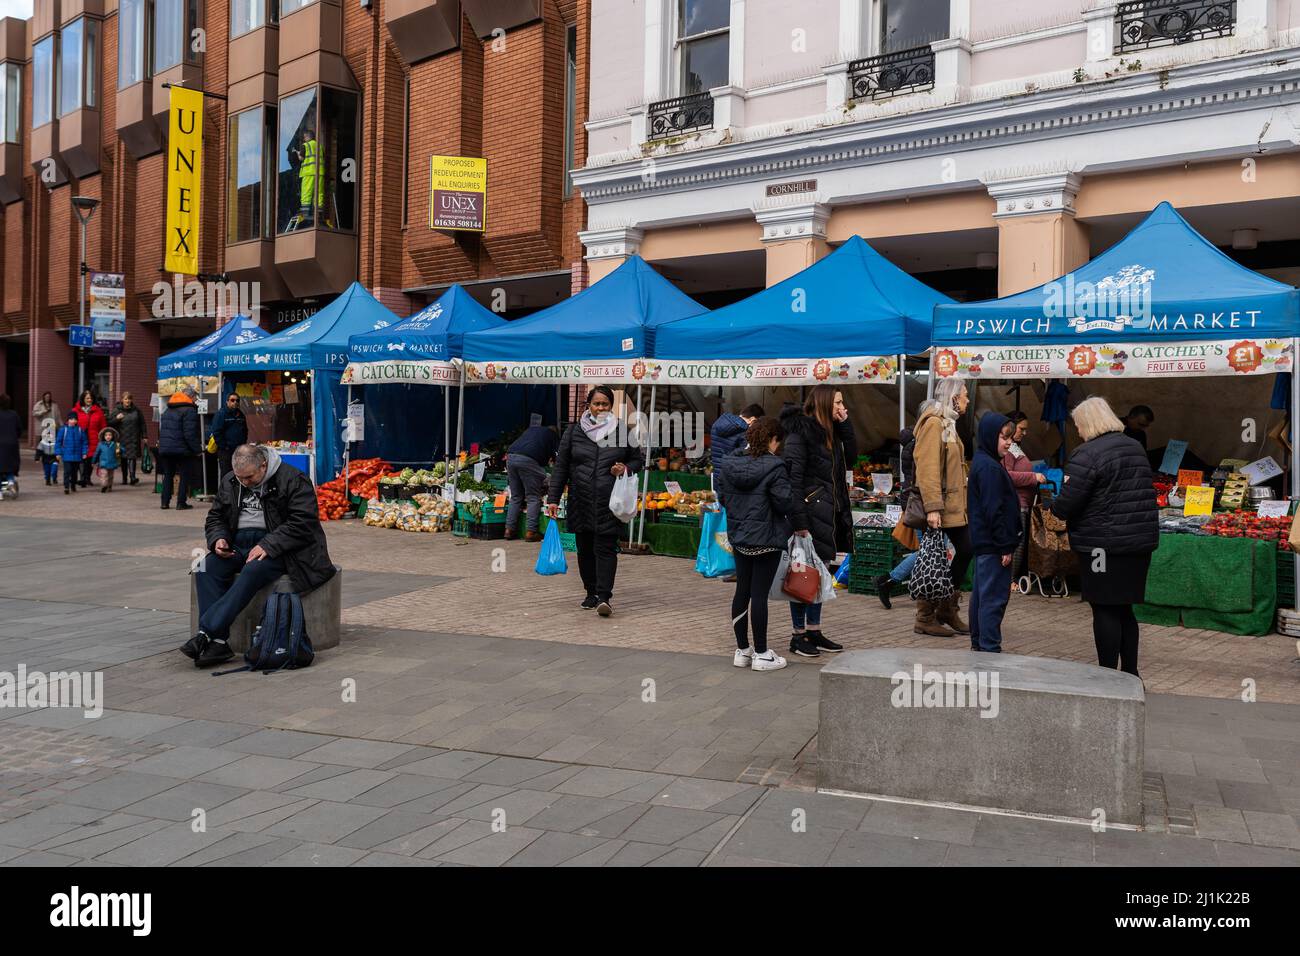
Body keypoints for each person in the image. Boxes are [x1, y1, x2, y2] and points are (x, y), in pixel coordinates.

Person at [185, 444, 337, 668]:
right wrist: (219, 538)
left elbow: (303, 522)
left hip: (283, 547)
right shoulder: (231, 480)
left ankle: (207, 632)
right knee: (205, 568)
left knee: (253, 570)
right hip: (238, 542)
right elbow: (215, 517)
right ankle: (217, 643)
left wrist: (269, 544)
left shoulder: (293, 479)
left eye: (249, 477)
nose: (244, 482)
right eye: (240, 478)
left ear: (263, 465)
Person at [1051, 397, 1158, 677]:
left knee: (1104, 609)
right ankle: (1131, 674)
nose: (1077, 431)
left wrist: (1054, 504)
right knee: (1125, 609)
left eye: (1078, 425)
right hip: (1138, 545)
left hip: (1102, 546)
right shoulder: (1135, 447)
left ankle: (1108, 676)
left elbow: (1068, 503)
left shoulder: (1087, 454)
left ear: (1088, 422)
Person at [546, 386, 644, 618]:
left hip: (610, 501)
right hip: (580, 500)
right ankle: (590, 592)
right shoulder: (573, 432)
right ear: (588, 405)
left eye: (605, 404)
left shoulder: (623, 430)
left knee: (606, 549)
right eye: (596, 404)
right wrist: (553, 499)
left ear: (611, 406)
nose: (601, 408)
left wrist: (625, 468)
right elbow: (560, 469)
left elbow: (637, 459)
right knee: (585, 549)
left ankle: (604, 597)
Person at [716, 416, 796, 672]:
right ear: (773, 439)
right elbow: (784, 503)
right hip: (766, 537)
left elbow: (723, 498)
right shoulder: (775, 467)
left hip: (739, 536)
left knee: (742, 592)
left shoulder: (728, 463)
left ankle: (742, 650)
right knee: (759, 595)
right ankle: (762, 653)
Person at [778, 384, 853, 657]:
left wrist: (846, 426)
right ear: (823, 403)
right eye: (837, 402)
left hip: (826, 513)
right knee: (801, 576)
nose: (841, 407)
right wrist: (799, 519)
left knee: (818, 574)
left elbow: (852, 459)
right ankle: (798, 636)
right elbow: (792, 480)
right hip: (808, 515)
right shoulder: (800, 435)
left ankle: (814, 630)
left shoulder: (830, 434)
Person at [912, 378, 972, 637]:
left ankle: (945, 608)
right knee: (935, 557)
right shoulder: (935, 424)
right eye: (965, 395)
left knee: (964, 549)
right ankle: (926, 616)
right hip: (940, 506)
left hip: (953, 505)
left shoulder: (949, 423)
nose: (968, 401)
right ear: (954, 397)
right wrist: (933, 507)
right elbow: (927, 468)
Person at [966, 414, 1023, 653]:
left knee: (981, 596)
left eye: (1010, 437)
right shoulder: (989, 467)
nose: (1008, 442)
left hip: (985, 544)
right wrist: (1005, 545)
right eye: (1004, 437)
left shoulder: (984, 461)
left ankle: (980, 644)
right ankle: (989, 648)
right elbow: (994, 511)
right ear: (991, 436)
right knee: (993, 599)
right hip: (993, 545)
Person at [874, 400, 937, 609]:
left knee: (929, 549)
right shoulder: (919, 443)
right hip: (921, 503)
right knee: (929, 550)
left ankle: (899, 583)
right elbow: (924, 477)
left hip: (917, 501)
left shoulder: (917, 441)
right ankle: (889, 580)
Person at [710, 403, 766, 583]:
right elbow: (747, 459)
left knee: (731, 523)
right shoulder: (742, 432)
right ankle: (738, 568)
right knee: (739, 525)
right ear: (753, 420)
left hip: (720, 479)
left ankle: (731, 565)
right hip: (735, 483)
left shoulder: (719, 425)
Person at [1002, 410, 1047, 587]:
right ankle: (1009, 580)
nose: (1025, 433)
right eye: (1022, 429)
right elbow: (1006, 475)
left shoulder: (1015, 448)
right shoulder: (1008, 449)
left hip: (1023, 502)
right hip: (1016, 503)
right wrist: (1032, 477)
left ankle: (1012, 579)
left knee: (1020, 543)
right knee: (1017, 544)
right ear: (1011, 427)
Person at [505, 422, 559, 542]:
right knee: (533, 496)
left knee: (516, 496)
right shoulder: (553, 436)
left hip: (511, 457)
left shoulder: (532, 430)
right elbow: (558, 459)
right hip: (528, 459)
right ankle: (531, 532)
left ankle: (509, 529)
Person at [159, 387, 202, 510]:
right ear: (191, 397)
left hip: (166, 448)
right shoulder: (189, 410)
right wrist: (197, 450)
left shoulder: (168, 408)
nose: (195, 400)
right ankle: (181, 502)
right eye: (195, 398)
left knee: (168, 475)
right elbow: (190, 434)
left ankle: (164, 502)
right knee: (184, 474)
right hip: (182, 449)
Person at [710, 403, 766, 470]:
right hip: (732, 476)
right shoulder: (744, 432)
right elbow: (745, 460)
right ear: (752, 420)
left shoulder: (717, 424)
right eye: (757, 424)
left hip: (717, 473)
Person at [209, 392, 248, 482]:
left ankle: (235, 494)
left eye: (237, 400)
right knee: (226, 474)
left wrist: (243, 444)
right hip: (225, 451)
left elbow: (245, 430)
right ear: (227, 402)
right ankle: (225, 494)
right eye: (232, 400)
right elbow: (217, 432)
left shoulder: (241, 415)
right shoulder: (221, 414)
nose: (235, 402)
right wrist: (224, 446)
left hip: (238, 450)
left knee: (238, 472)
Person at [111, 392, 148, 486]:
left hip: (134, 437)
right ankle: (124, 478)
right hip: (121, 438)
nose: (127, 401)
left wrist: (144, 436)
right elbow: (109, 422)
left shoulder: (136, 410)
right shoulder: (117, 410)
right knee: (123, 458)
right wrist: (117, 418)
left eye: (129, 399)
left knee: (132, 457)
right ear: (122, 400)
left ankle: (132, 477)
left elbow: (142, 423)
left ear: (131, 400)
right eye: (125, 399)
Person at [72, 390, 107, 488]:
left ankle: (87, 478)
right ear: (83, 399)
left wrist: (103, 438)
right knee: (82, 459)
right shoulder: (75, 410)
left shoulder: (98, 411)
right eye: (87, 398)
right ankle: (83, 479)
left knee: (91, 460)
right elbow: (70, 424)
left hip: (93, 438)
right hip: (80, 439)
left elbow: (103, 426)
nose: (89, 400)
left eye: (91, 398)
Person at [54, 412, 88, 494]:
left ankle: (73, 485)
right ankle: (66, 487)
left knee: (74, 472)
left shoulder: (80, 430)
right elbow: (58, 442)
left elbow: (84, 442)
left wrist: (84, 452)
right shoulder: (63, 430)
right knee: (67, 472)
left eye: (75, 419)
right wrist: (58, 453)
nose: (73, 421)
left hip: (77, 456)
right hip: (67, 455)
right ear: (68, 420)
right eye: (71, 419)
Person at [0, 394, 21, 489]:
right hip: (12, 443)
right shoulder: (14, 414)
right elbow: (19, 429)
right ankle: (11, 481)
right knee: (10, 466)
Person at [92, 427, 122, 493]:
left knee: (110, 476)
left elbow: (118, 454)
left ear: (112, 436)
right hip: (103, 463)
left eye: (110, 435)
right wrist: (93, 461)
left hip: (112, 463)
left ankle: (109, 486)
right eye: (106, 435)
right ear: (103, 436)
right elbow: (96, 453)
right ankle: (104, 485)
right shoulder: (100, 444)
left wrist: (121, 449)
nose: (108, 437)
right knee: (104, 475)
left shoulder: (115, 445)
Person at [37, 416, 59, 486]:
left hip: (54, 458)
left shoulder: (57, 439)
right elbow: (39, 449)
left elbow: (59, 447)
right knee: (47, 471)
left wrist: (60, 454)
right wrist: (37, 458)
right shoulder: (42, 441)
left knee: (54, 470)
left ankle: (54, 478)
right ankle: (48, 480)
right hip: (45, 458)